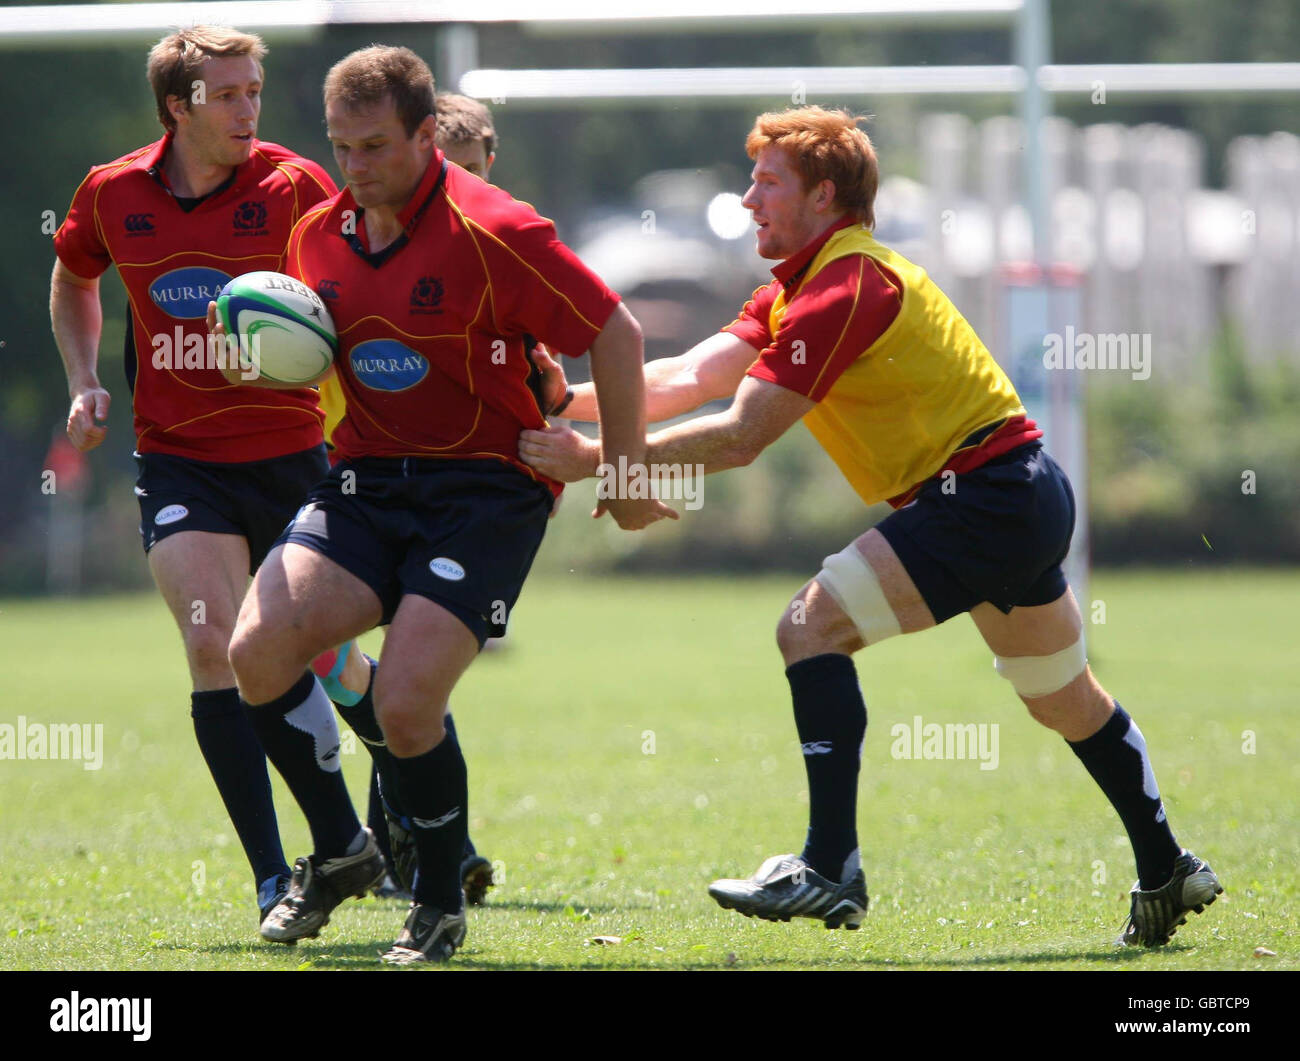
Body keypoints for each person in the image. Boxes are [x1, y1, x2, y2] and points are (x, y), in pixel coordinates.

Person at [519, 105, 1222, 948]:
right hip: (1014, 493)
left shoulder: (846, 287)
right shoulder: (801, 287)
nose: (748, 199)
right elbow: (684, 375)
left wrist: (593, 458)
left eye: (767, 182)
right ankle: (1168, 864)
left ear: (823, 195)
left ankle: (830, 866)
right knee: (1062, 698)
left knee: (809, 627)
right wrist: (566, 399)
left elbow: (743, 435)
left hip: (983, 495)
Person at [217, 45, 673, 964]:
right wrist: (256, 356)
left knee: (408, 699)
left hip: (486, 491)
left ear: (429, 135)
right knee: (256, 650)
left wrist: (627, 476)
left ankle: (435, 902)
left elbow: (615, 333)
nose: (354, 167)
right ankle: (343, 849)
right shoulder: (317, 235)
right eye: (341, 146)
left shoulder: (498, 230)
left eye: (376, 145)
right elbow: (322, 351)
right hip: (367, 481)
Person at [49, 25, 368, 931]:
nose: (248, 109)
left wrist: (302, 350)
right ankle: (280, 876)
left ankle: (388, 825)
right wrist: (83, 381)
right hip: (180, 458)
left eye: (254, 90)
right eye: (227, 95)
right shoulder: (114, 193)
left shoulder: (297, 184)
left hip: (298, 458)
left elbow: (360, 283)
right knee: (213, 647)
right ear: (176, 107)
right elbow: (73, 276)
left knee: (326, 660)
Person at [315, 92, 511, 908]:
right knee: (330, 663)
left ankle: (421, 855)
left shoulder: (498, 248)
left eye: (469, 174)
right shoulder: (355, 235)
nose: (451, 192)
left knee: (406, 686)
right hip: (335, 465)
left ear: (487, 168)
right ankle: (420, 845)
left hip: (438, 488)